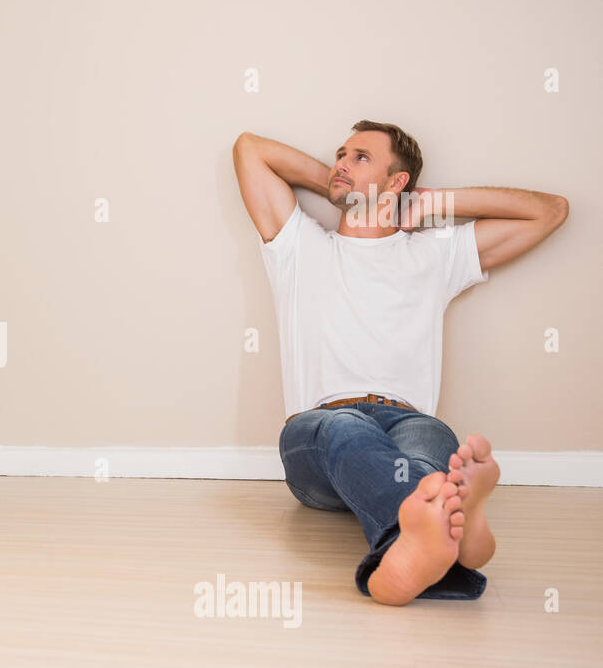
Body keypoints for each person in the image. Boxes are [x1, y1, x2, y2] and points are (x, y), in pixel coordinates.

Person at [231, 121, 569, 605]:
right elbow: (251, 149)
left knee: (433, 446)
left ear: (397, 182)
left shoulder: (435, 254)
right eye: (340, 154)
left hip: (407, 420)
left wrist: (433, 205)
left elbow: (550, 211)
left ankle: (424, 543)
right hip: (320, 431)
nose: (343, 161)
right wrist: (340, 185)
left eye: (360, 157)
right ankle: (440, 532)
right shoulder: (298, 247)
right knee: (349, 429)